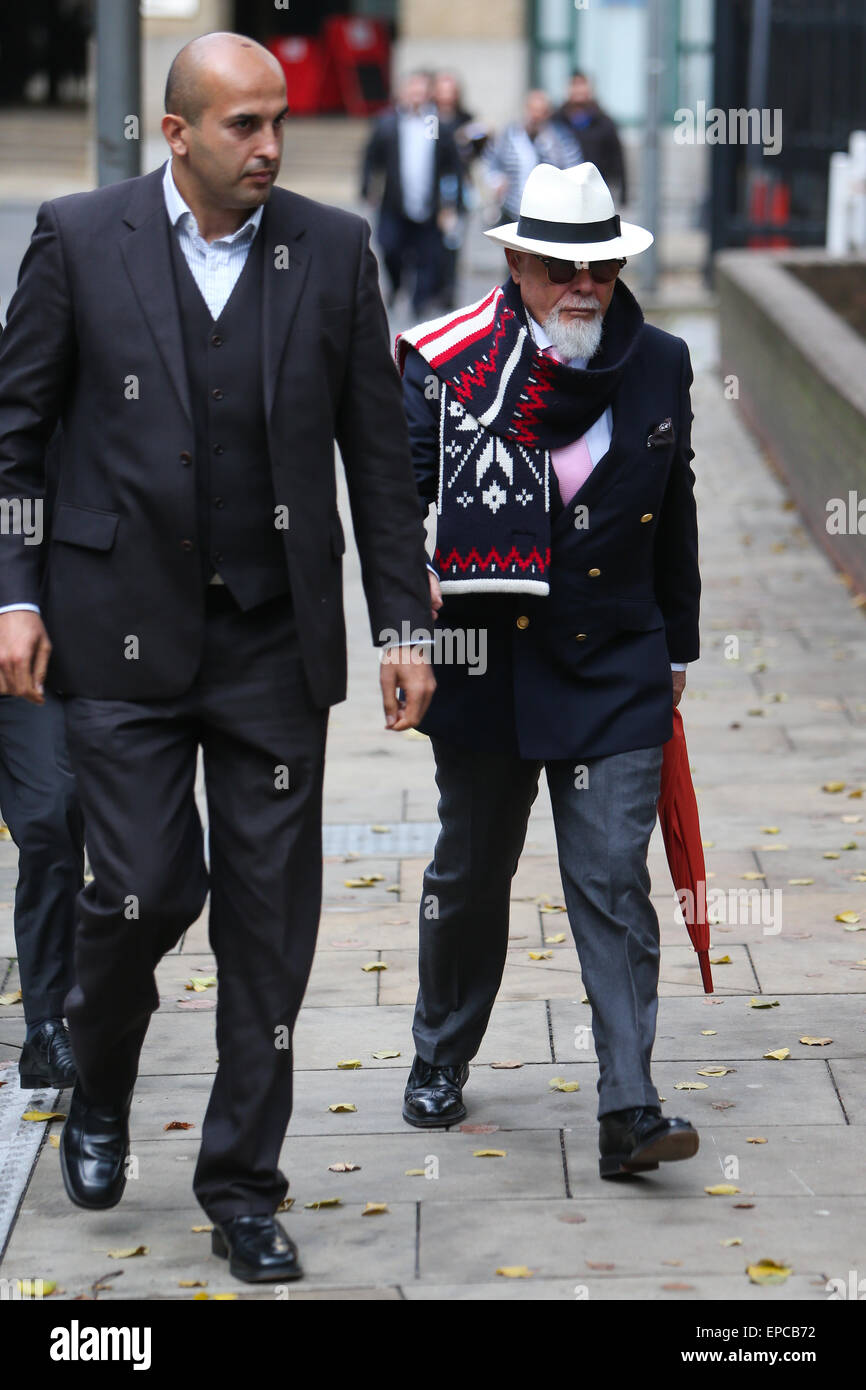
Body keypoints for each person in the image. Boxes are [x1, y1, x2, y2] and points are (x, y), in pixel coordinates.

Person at [0, 31, 434, 1283]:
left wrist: (403, 624)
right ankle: (97, 1074)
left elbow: (381, 464)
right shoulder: (79, 238)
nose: (270, 146)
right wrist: (14, 594)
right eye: (242, 125)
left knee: (268, 928)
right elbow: (14, 438)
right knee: (143, 888)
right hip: (113, 641)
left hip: (268, 643)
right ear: (176, 135)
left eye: (279, 121)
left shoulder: (334, 249)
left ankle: (242, 1180)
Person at [396, 163, 701, 1181]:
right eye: (560, 266)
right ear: (515, 262)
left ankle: (629, 1106)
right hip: (482, 662)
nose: (583, 285)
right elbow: (391, 494)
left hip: (614, 656)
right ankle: (439, 1052)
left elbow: (678, 510)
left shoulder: (659, 362)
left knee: (611, 879)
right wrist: (408, 603)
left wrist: (678, 651)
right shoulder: (445, 361)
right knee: (468, 877)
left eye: (601, 267)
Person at [361, 71, 462, 317]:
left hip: (428, 205)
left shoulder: (434, 123)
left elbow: (450, 164)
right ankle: (396, 286)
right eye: (412, 90)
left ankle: (419, 302)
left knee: (427, 255)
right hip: (394, 203)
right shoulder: (388, 122)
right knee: (389, 246)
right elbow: (371, 158)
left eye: (421, 91)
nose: (416, 96)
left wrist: (449, 203)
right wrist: (368, 188)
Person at [431, 71, 488, 311]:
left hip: (459, 188)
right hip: (434, 188)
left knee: (453, 243)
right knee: (432, 244)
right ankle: (432, 287)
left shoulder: (466, 117)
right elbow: (429, 151)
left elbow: (478, 149)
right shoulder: (430, 119)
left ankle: (448, 291)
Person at [483, 90, 583, 225]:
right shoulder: (509, 134)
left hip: (547, 213)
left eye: (541, 111)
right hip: (512, 209)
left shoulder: (560, 138)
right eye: (532, 110)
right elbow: (492, 162)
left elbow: (574, 170)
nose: (535, 116)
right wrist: (497, 181)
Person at [556, 71, 627, 206]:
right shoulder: (557, 122)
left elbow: (617, 159)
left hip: (595, 191)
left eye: (582, 85)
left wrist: (622, 193)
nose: (578, 90)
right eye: (574, 85)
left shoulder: (604, 123)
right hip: (563, 191)